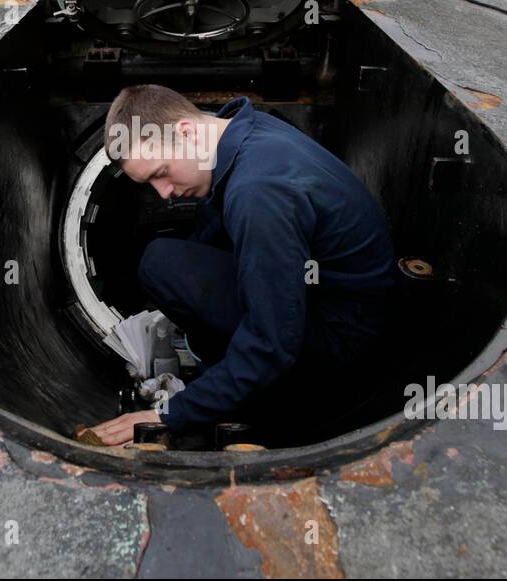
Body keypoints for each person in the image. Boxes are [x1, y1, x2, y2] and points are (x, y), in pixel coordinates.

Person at [87, 84, 396, 447]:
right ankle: (232, 375)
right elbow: (214, 229)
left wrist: (171, 414)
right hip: (341, 303)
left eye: (161, 172)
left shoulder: (258, 191)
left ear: (185, 132)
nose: (164, 193)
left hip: (344, 343)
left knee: (162, 268)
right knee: (164, 263)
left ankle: (264, 400)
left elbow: (274, 341)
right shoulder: (246, 129)